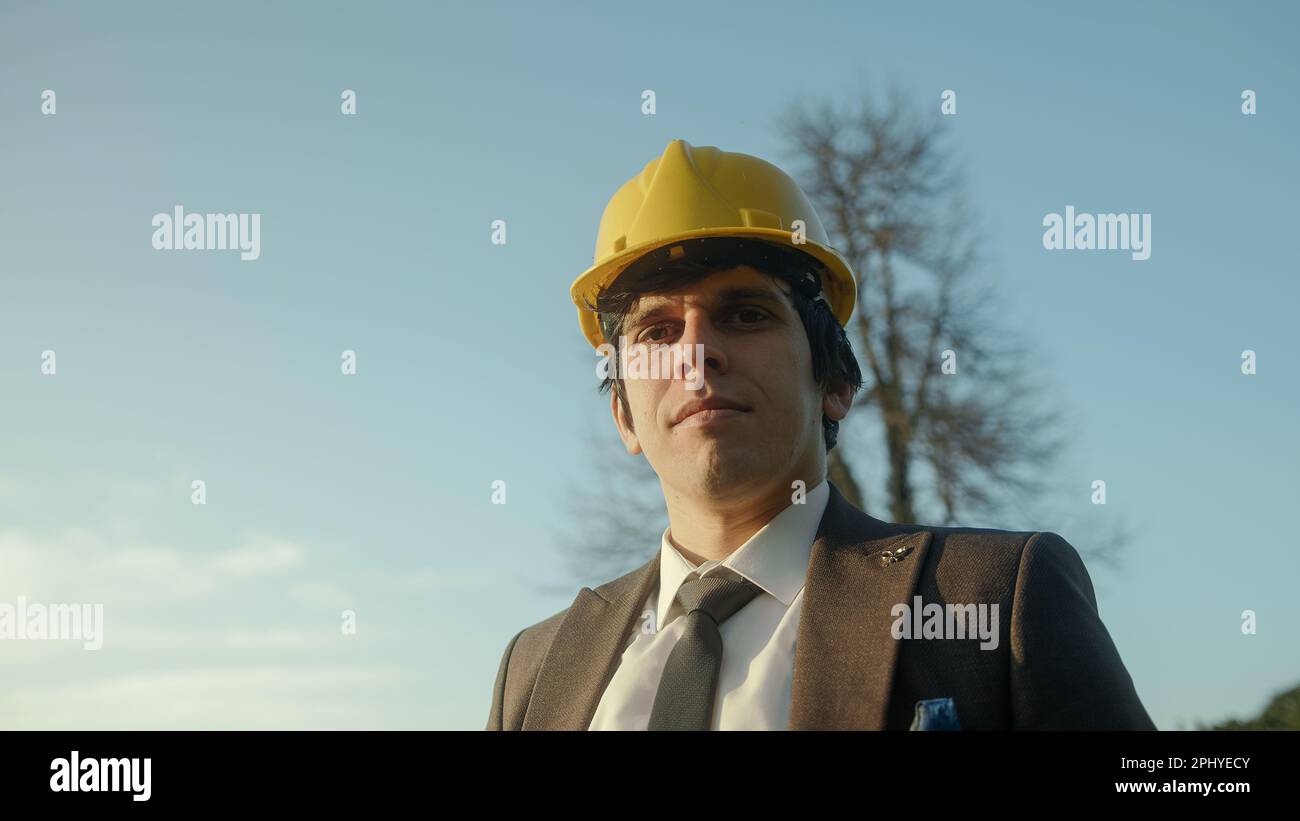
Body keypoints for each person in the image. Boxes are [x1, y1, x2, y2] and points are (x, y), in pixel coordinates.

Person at [486, 139, 1155, 730]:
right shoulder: (537, 668)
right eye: (658, 331)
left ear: (835, 380)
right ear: (624, 416)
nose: (696, 354)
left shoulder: (995, 598)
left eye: (744, 314)